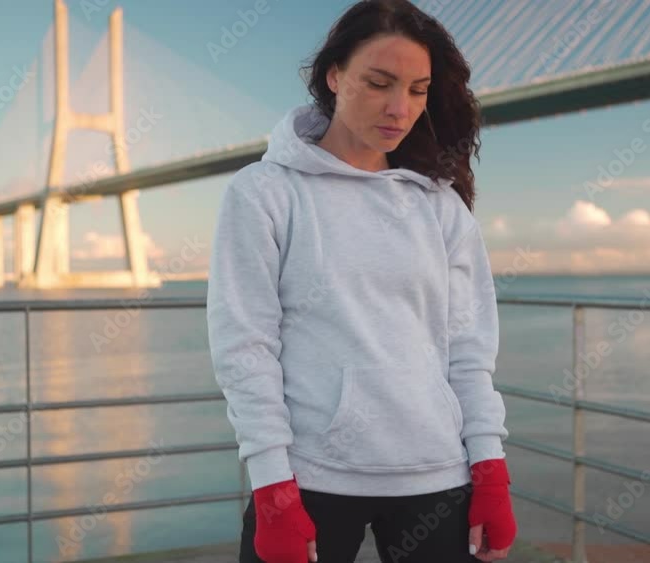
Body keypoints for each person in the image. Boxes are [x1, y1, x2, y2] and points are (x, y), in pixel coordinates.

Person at [206, 1, 516, 561]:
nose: (400, 108)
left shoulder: (441, 206)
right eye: (379, 83)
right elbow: (245, 346)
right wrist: (272, 486)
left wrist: (490, 471)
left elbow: (469, 350)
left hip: (436, 477)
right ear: (334, 76)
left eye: (418, 90)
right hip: (311, 480)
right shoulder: (264, 193)